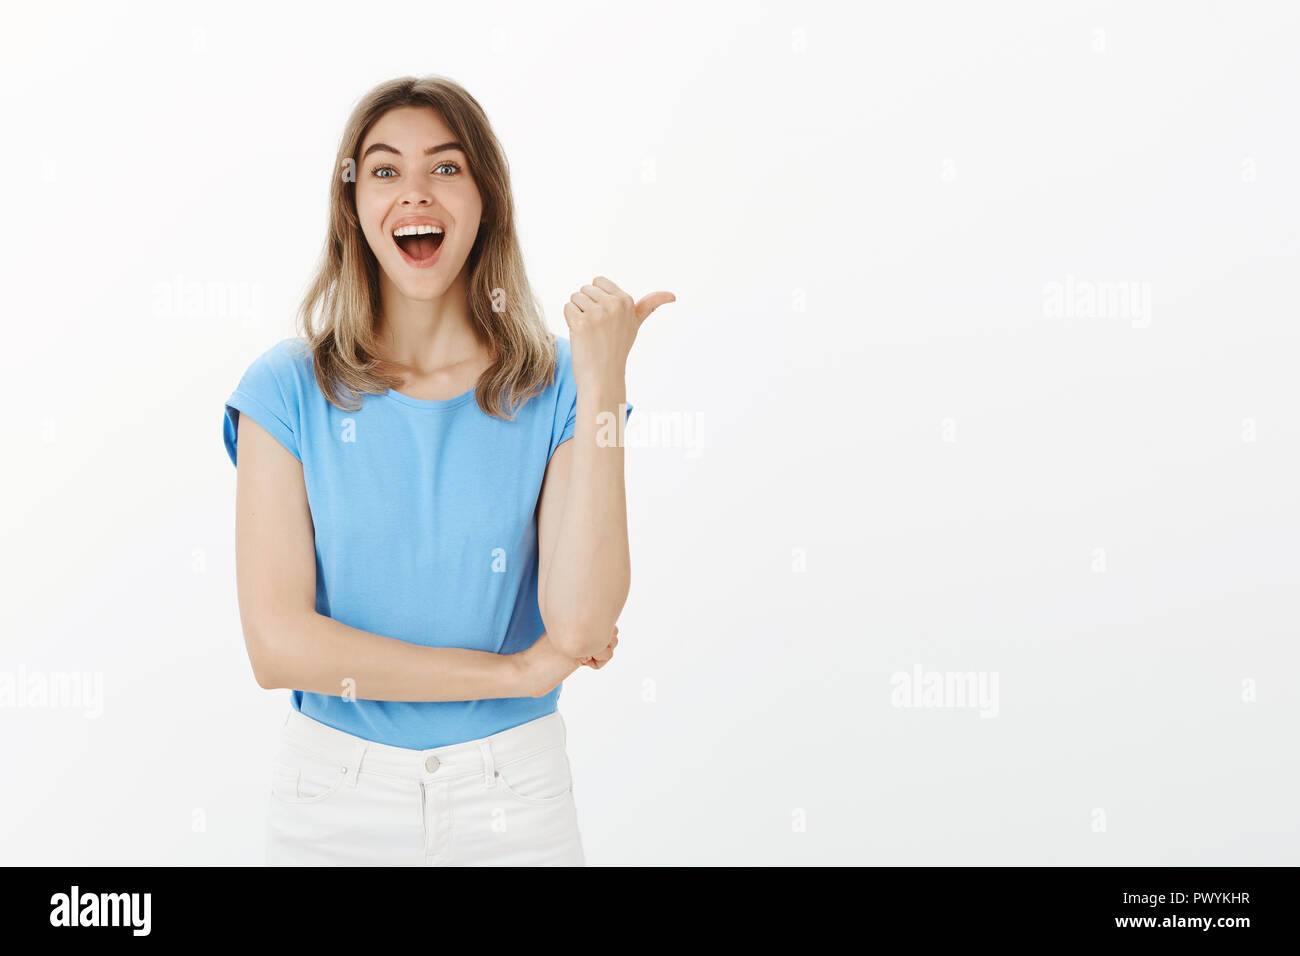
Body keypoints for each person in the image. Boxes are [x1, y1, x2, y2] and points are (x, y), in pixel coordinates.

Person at [221, 75, 674, 865]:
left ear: (486, 199)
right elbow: (279, 647)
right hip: (334, 798)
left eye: (447, 167)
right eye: (386, 170)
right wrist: (515, 675)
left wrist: (605, 385)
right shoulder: (286, 388)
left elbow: (580, 625)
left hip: (514, 797)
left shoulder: (563, 388)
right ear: (353, 206)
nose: (415, 192)